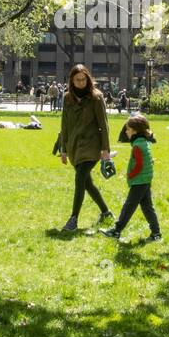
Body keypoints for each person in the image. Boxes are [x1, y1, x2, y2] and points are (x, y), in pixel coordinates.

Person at [57, 64, 113, 232]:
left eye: (83, 79)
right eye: (77, 80)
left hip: (92, 145)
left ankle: (73, 219)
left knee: (80, 178)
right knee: (86, 183)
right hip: (74, 146)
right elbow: (64, 124)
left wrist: (105, 150)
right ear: (72, 81)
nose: (80, 82)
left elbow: (104, 125)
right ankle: (106, 212)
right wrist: (63, 148)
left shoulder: (96, 97)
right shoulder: (67, 98)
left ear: (88, 79)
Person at [101, 115, 162, 242]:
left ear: (135, 130)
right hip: (145, 180)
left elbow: (139, 164)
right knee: (147, 207)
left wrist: (131, 175)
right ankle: (156, 234)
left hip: (139, 181)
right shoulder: (144, 142)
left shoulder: (137, 146)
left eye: (128, 129)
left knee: (129, 206)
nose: (126, 132)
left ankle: (116, 230)